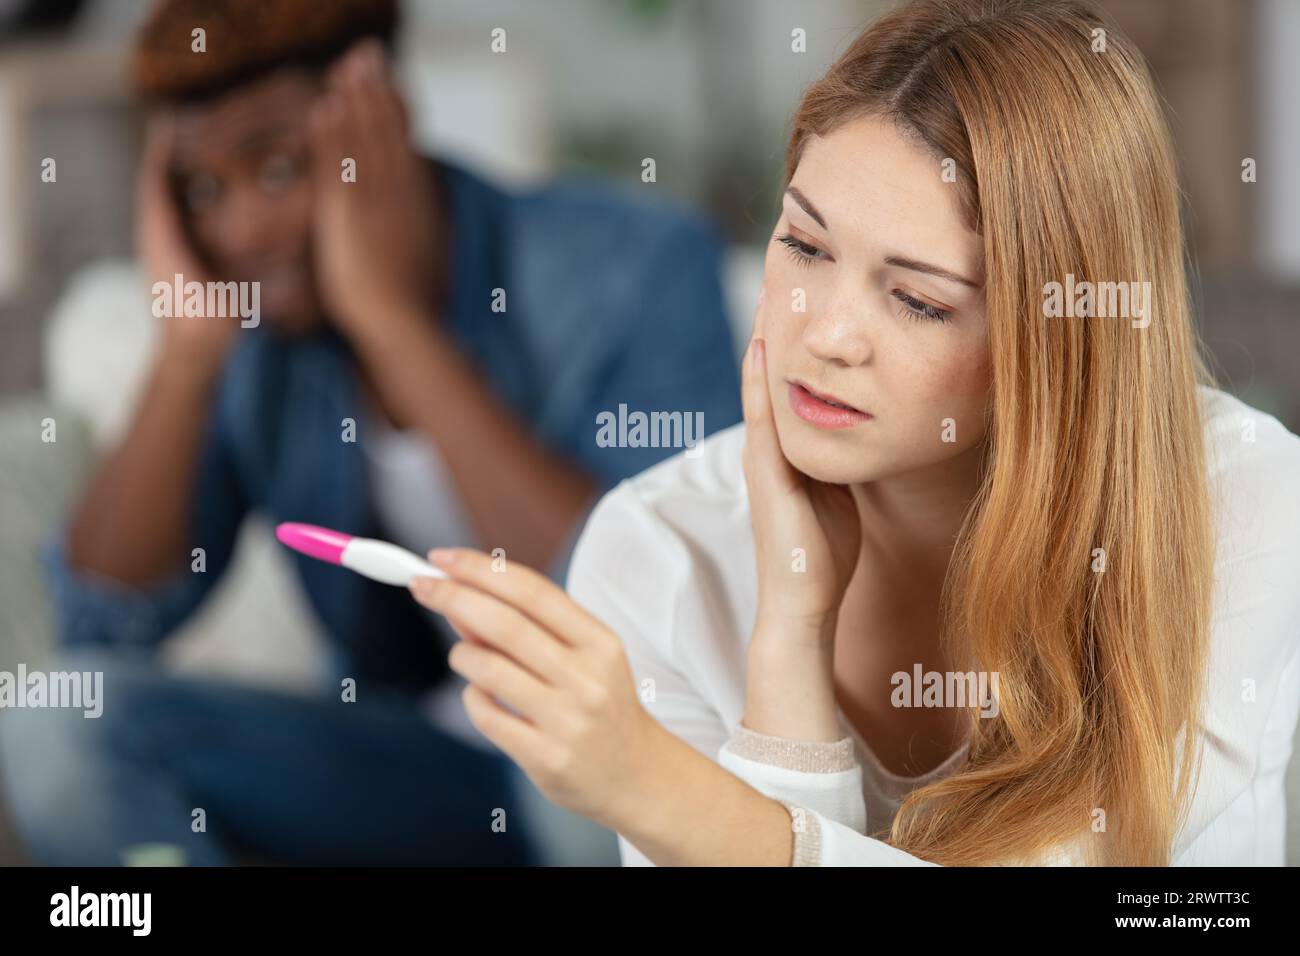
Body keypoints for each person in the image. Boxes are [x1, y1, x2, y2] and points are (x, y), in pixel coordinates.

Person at [405, 0, 1300, 866]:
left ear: (1060, 337)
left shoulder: (1249, 508)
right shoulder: (659, 548)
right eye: (803, 246)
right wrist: (791, 633)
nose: (825, 334)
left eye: (917, 299)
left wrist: (670, 797)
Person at [0, 0, 741, 865]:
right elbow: (101, 622)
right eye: (205, 191)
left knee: (600, 742)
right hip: (413, 778)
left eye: (276, 170)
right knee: (59, 721)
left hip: (604, 773)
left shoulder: (633, 269)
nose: (240, 230)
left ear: (378, 113)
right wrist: (187, 355)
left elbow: (654, 622)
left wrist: (392, 324)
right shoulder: (260, 340)